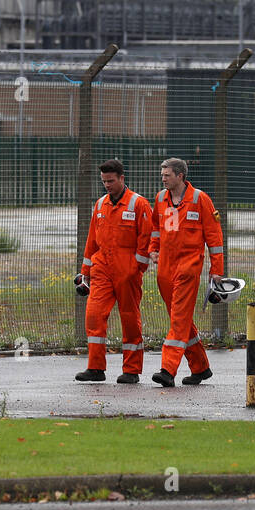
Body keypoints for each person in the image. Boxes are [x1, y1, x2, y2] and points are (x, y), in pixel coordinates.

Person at [148, 157, 223, 387]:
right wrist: (153, 250)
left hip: (189, 267)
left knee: (179, 318)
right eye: (162, 174)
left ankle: (167, 370)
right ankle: (200, 368)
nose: (163, 178)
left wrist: (216, 269)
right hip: (165, 269)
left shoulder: (200, 200)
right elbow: (156, 228)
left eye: (167, 174)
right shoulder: (161, 198)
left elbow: (214, 237)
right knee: (180, 319)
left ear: (180, 176)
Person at [75, 160, 152, 383]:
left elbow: (146, 239)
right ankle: (96, 368)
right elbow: (92, 242)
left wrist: (137, 269)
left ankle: (132, 370)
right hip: (102, 270)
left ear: (121, 178)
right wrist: (85, 272)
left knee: (129, 319)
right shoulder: (100, 205)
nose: (107, 185)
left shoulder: (138, 204)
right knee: (94, 315)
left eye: (110, 181)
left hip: (127, 272)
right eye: (104, 181)